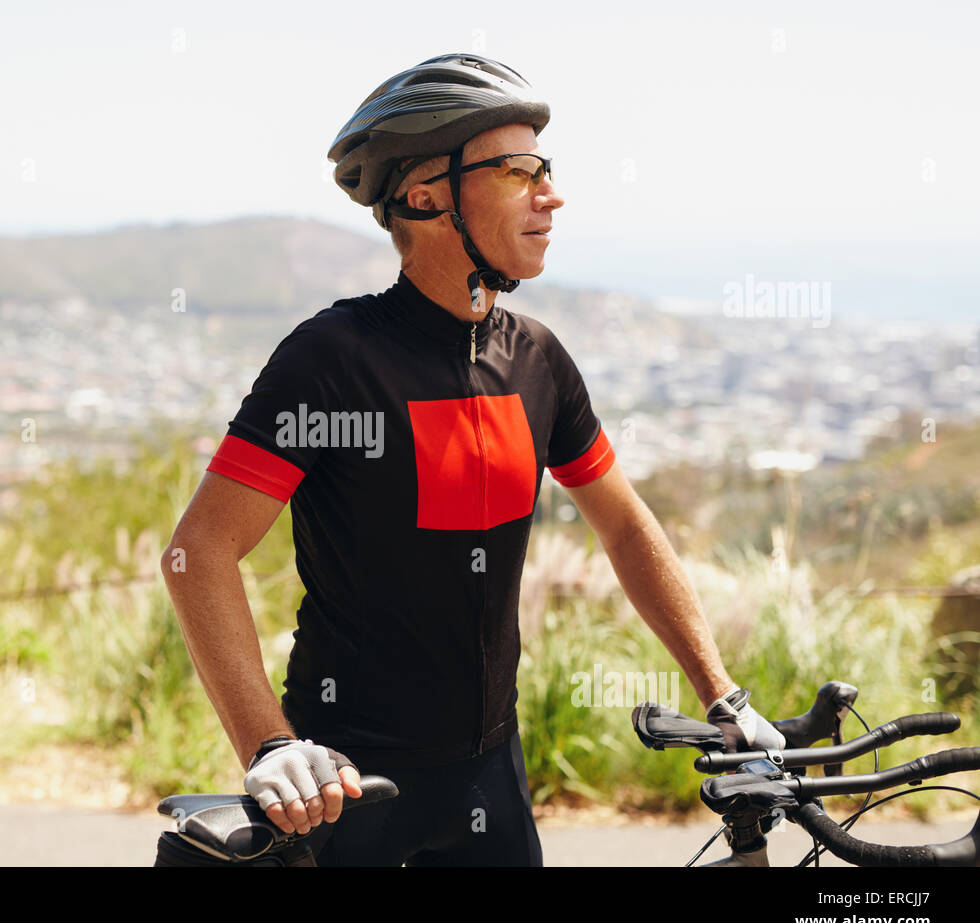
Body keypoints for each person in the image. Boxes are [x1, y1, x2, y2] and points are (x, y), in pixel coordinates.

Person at [160, 53, 784, 866]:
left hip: (493, 776)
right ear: (425, 194)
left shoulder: (538, 359)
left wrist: (721, 693)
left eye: (546, 169)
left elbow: (625, 527)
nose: (550, 194)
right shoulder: (335, 361)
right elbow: (197, 551)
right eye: (518, 171)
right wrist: (270, 747)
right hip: (347, 787)